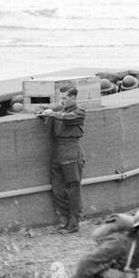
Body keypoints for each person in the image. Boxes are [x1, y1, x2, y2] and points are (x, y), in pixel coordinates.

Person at [38, 86, 86, 232]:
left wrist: (52, 113)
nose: (62, 101)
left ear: (73, 98)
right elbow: (53, 112)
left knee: (73, 189)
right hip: (58, 153)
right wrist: (43, 111)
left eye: (65, 98)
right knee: (58, 189)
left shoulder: (79, 112)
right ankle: (66, 219)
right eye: (61, 98)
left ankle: (74, 222)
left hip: (71, 153)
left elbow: (67, 118)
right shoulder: (60, 111)